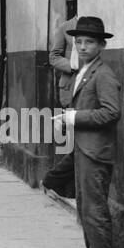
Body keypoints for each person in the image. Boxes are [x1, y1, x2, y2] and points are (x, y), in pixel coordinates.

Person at [54, 16, 122, 248]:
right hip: (84, 148)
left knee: (94, 210)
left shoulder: (103, 74)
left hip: (96, 152)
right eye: (78, 42)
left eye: (89, 42)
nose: (82, 47)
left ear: (101, 45)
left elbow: (111, 112)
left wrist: (73, 118)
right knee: (85, 209)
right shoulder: (86, 70)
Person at [43, 14, 79, 197]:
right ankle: (63, 185)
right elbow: (53, 56)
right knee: (70, 139)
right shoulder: (65, 27)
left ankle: (64, 183)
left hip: (86, 86)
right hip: (69, 86)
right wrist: (72, 66)